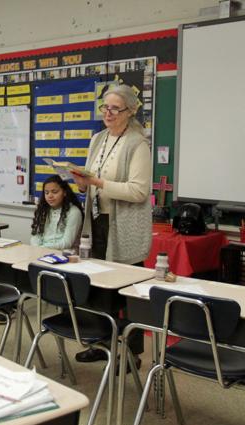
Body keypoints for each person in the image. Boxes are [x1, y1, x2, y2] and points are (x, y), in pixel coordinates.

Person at [71, 84, 152, 364]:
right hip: (96, 222)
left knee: (127, 290)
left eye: (115, 109)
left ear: (130, 112)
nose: (108, 113)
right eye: (105, 107)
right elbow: (90, 181)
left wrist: (98, 182)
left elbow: (139, 191)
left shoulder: (137, 144)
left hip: (124, 227)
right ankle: (100, 342)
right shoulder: (98, 139)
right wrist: (83, 185)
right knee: (98, 284)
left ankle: (131, 353)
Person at [30, 175, 84, 250]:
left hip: (64, 253)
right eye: (46, 193)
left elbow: (67, 243)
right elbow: (35, 236)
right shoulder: (43, 210)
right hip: (42, 251)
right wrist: (37, 248)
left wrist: (43, 248)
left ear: (64, 192)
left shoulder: (74, 212)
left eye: (54, 192)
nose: (50, 196)